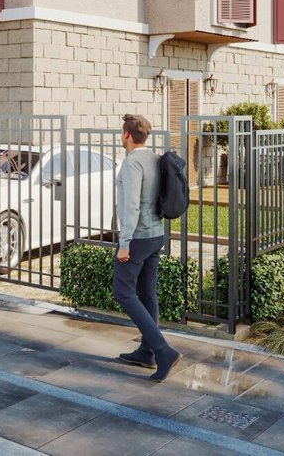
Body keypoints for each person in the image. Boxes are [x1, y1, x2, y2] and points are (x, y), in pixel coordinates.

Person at [112, 114, 181, 382]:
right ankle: (147, 352)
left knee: (123, 292)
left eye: (122, 132)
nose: (121, 136)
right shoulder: (153, 158)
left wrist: (124, 243)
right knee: (146, 292)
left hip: (138, 238)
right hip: (155, 234)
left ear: (127, 135)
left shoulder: (132, 163)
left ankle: (163, 351)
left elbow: (130, 205)